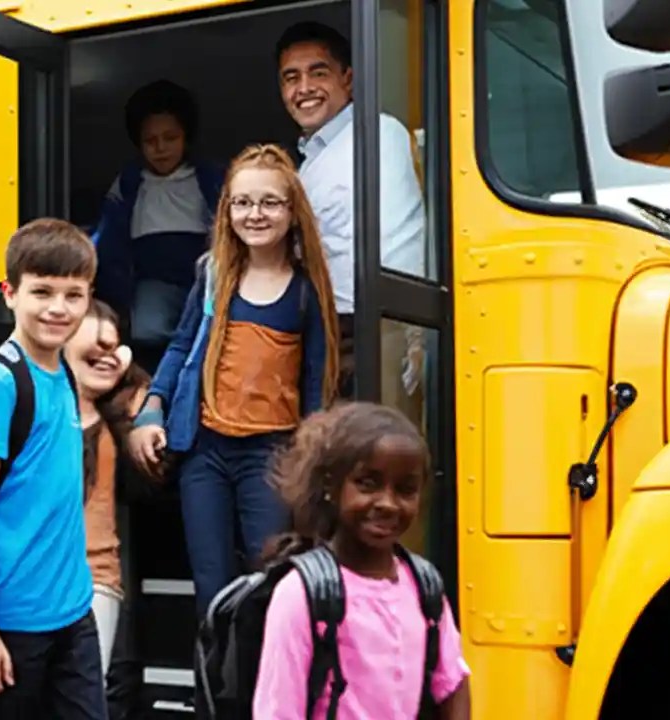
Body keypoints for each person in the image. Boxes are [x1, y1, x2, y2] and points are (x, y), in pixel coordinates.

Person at [127, 143, 341, 616]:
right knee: (211, 583)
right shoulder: (214, 274)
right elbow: (182, 346)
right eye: (242, 202)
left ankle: (265, 667)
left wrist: (311, 459)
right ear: (226, 210)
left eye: (270, 202)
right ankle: (215, 669)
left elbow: (315, 382)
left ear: (293, 211)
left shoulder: (305, 290)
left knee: (270, 578)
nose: (255, 214)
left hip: (271, 453)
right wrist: (152, 407)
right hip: (204, 451)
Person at [0, 218, 107, 719]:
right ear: (10, 294)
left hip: (72, 612)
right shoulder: (0, 385)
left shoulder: (63, 372)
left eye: (74, 295)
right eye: (42, 292)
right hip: (11, 622)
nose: (58, 308)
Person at [252, 402, 471, 719]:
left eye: (405, 490)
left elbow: (452, 684)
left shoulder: (423, 586)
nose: (388, 503)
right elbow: (278, 710)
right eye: (368, 484)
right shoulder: (302, 595)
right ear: (331, 486)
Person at [275, 21, 427, 397]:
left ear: (349, 80)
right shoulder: (310, 162)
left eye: (318, 73)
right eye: (291, 78)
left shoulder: (376, 134)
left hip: (373, 327)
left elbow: (398, 243)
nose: (304, 88)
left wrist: (411, 334)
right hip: (326, 330)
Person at [90, 79, 225, 373]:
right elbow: (107, 240)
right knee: (148, 330)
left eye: (170, 137)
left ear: (186, 137)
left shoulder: (211, 179)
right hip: (152, 287)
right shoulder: (129, 184)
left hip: (206, 283)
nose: (161, 148)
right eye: (150, 141)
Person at [65, 299, 154, 706]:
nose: (106, 358)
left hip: (95, 578)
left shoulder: (121, 413)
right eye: (93, 350)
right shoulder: (39, 409)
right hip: (38, 579)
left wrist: (145, 418)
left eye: (113, 348)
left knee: (82, 697)